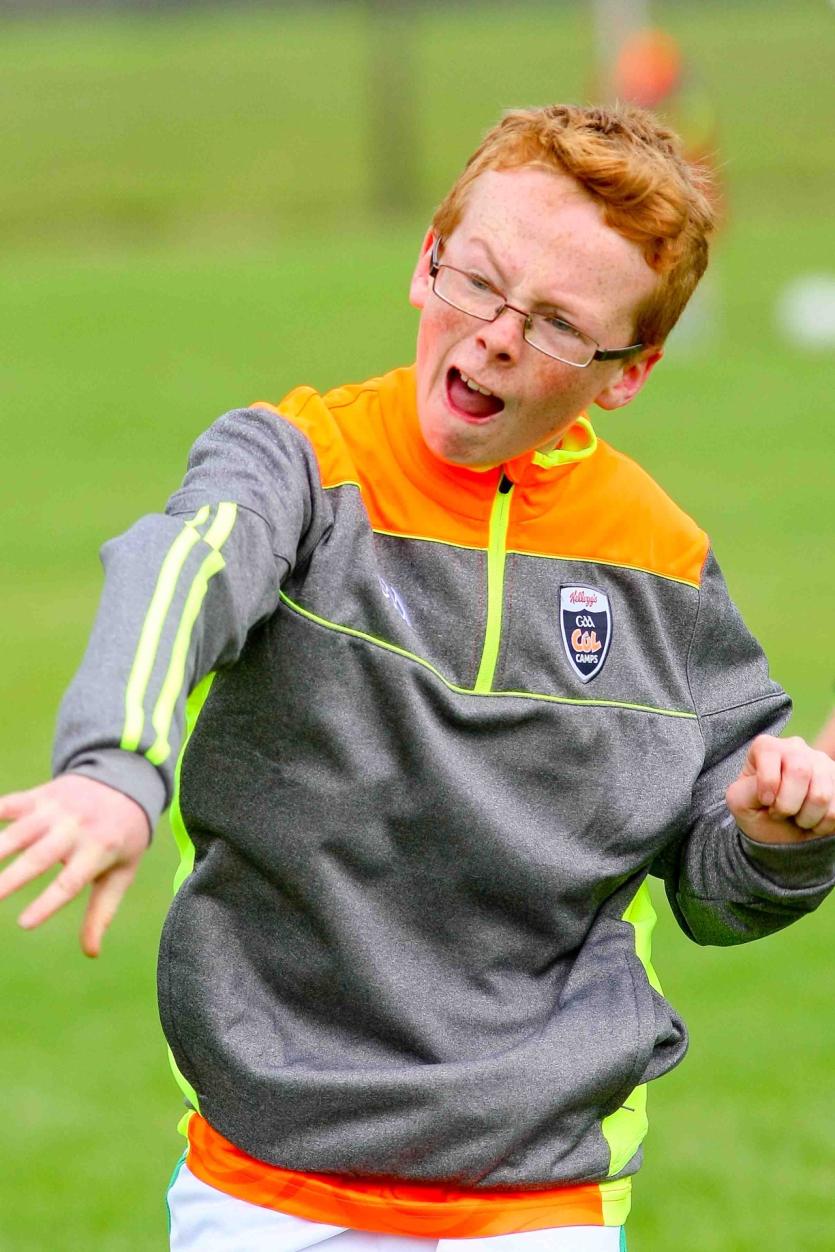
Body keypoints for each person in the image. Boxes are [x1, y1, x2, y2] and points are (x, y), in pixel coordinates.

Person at [1, 104, 834, 1252]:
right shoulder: (297, 464)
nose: (495, 335)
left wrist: (782, 833)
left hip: (541, 1189)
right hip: (273, 1182)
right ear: (423, 259)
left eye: (553, 323)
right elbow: (182, 575)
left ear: (628, 372)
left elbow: (711, 879)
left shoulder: (663, 569)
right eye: (478, 282)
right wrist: (113, 767)